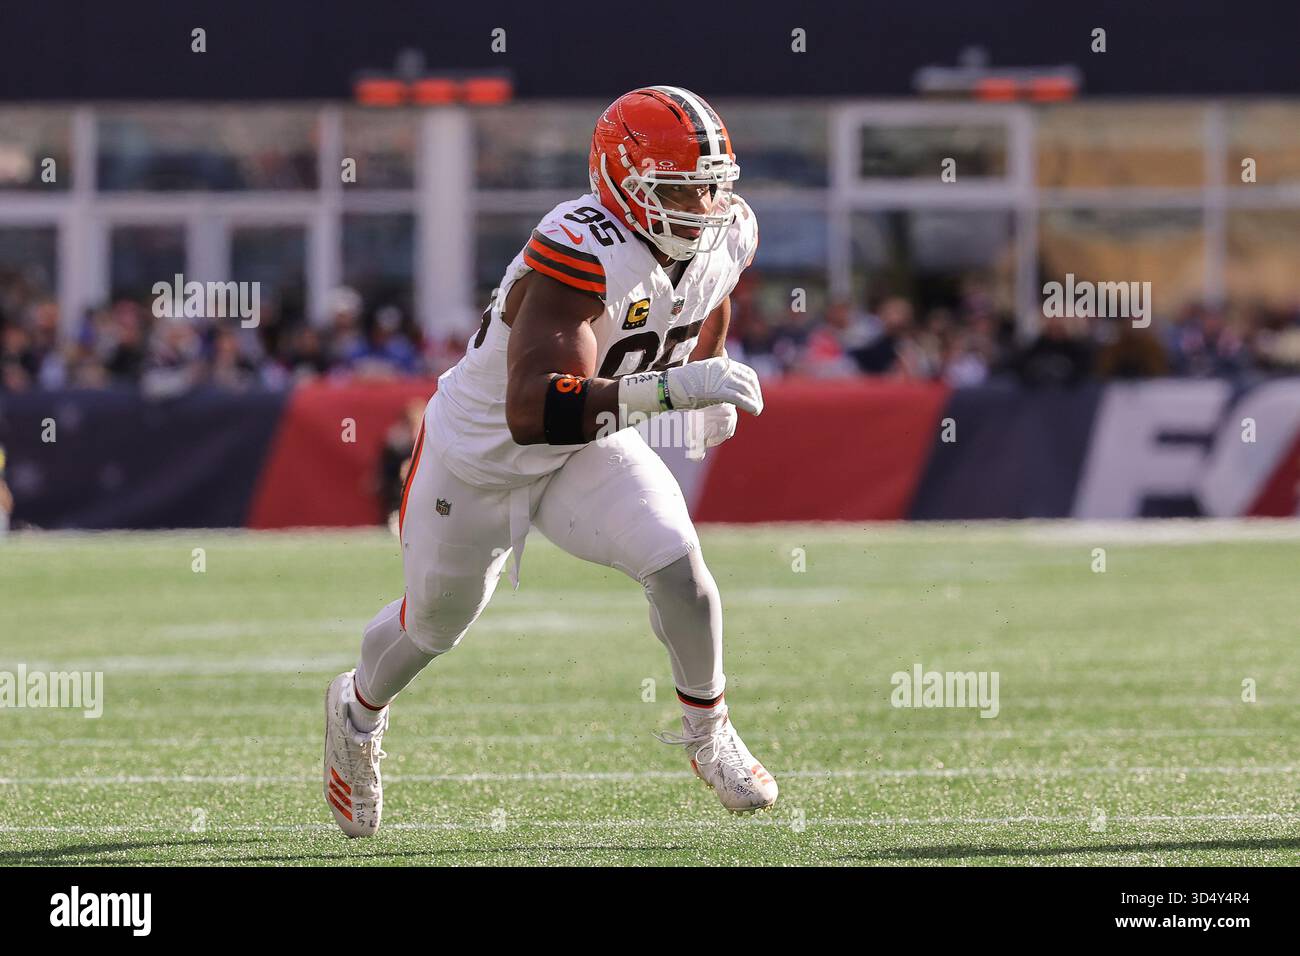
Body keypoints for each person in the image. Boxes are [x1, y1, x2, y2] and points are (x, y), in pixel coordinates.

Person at [323, 87, 777, 837]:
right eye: (675, 187)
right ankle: (357, 714)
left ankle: (708, 734)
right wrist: (676, 388)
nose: (700, 203)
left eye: (708, 183)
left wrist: (709, 364)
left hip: (585, 447)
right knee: (433, 630)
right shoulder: (579, 245)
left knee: (679, 567)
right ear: (623, 184)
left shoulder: (726, 232)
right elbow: (533, 410)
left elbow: (706, 293)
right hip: (480, 458)